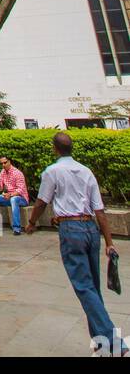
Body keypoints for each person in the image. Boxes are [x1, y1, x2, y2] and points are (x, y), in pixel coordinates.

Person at [25, 131, 128, 356]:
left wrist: (32, 223)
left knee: (83, 286)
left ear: (55, 149)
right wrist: (109, 242)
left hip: (71, 231)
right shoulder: (86, 171)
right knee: (92, 287)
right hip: (91, 228)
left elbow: (42, 201)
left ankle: (114, 343)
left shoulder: (52, 171)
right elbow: (99, 210)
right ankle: (101, 343)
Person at [0, 155, 29, 235]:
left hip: (22, 199)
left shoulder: (18, 173)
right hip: (9, 197)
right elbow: (0, 189)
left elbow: (20, 190)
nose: (3, 165)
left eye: (5, 163)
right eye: (1, 163)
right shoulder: (2, 172)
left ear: (9, 162)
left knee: (14, 199)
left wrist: (10, 195)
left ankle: (17, 228)